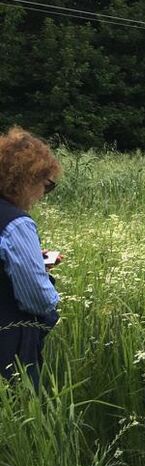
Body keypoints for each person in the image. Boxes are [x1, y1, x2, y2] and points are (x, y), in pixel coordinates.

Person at [0, 127, 61, 389]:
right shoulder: (17, 224)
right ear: (27, 179)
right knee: (25, 409)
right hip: (10, 339)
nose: (42, 195)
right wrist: (52, 299)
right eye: (46, 185)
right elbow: (36, 297)